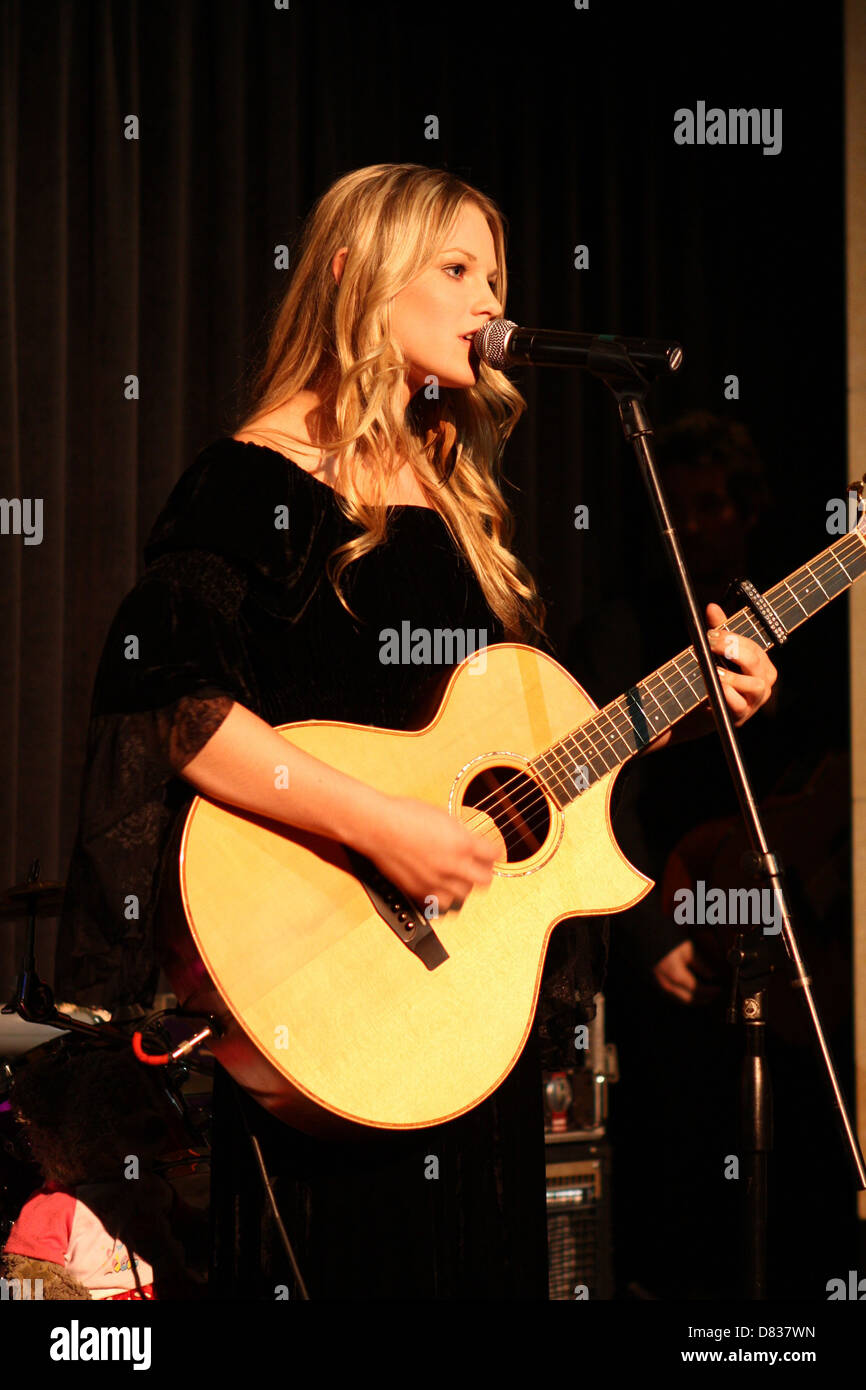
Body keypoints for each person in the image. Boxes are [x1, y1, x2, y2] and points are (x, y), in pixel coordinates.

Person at [54, 163, 777, 1299]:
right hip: (327, 1000)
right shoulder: (254, 483)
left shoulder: (452, 503)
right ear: (352, 275)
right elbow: (173, 711)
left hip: (455, 1023)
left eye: (495, 274)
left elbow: (523, 780)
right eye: (454, 269)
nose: (489, 298)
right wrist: (386, 829)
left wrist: (680, 718)